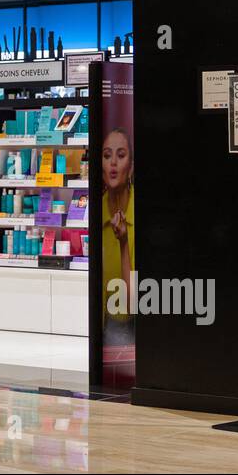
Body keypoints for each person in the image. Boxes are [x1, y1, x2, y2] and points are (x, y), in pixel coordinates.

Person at [100, 126, 135, 343]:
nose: (113, 162)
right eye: (107, 156)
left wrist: (123, 243)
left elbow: (133, 304)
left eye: (120, 155)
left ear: (130, 168)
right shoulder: (95, 213)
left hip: (130, 324)